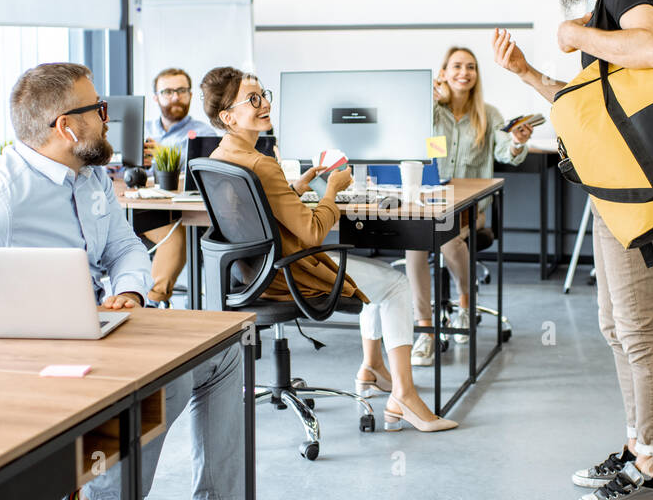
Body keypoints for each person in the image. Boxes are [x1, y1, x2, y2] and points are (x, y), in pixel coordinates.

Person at [0, 62, 289, 500]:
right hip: (41, 342)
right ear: (66, 126)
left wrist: (130, 290)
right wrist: (37, 302)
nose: (110, 120)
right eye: (100, 110)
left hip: (100, 325)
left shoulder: (90, 176)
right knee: (167, 373)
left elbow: (123, 247)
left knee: (224, 349)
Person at [493, 0, 653, 500]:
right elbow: (587, 111)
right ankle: (635, 449)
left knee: (639, 332)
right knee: (614, 326)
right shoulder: (606, 0)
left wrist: (573, 33)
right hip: (612, 189)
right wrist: (526, 75)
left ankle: (652, 473)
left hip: (635, 197)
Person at [202, 66, 456, 432]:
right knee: (396, 285)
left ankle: (373, 369)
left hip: (254, 274)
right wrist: (333, 189)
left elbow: (258, 211)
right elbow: (312, 232)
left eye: (264, 95)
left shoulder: (221, 158)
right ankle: (404, 395)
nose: (264, 104)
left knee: (378, 284)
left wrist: (299, 186)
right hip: (290, 274)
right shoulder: (262, 163)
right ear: (228, 116)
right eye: (252, 99)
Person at [403, 47, 533, 366]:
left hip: (469, 210)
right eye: (457, 66)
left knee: (448, 239)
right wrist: (428, 99)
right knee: (414, 247)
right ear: (444, 72)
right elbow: (405, 137)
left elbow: (506, 151)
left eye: (471, 67)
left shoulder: (488, 115)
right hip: (430, 204)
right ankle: (426, 331)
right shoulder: (430, 113)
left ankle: (465, 303)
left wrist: (517, 141)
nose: (465, 72)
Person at [136, 67, 216, 304]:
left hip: (178, 216)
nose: (175, 97)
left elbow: (205, 177)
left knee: (175, 235)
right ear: (156, 97)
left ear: (190, 95)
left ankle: (150, 303)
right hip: (137, 209)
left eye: (181, 90)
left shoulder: (203, 133)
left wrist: (165, 159)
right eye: (168, 91)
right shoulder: (142, 132)